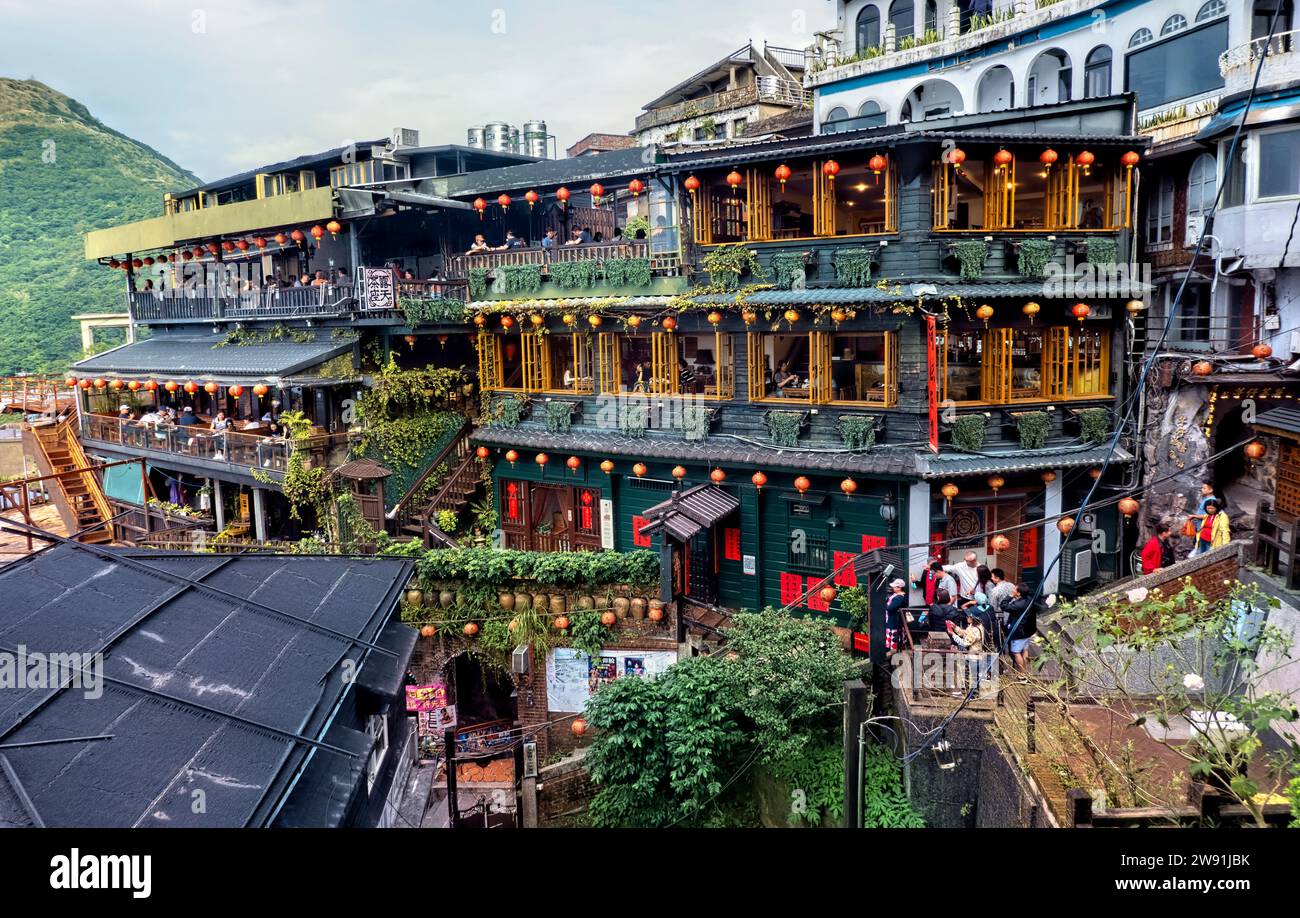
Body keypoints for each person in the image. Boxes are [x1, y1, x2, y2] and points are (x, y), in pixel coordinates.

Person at [1002, 583, 1037, 673]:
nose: (1013, 590)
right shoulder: (1030, 600)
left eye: (1015, 589)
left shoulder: (1017, 605)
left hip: (1019, 632)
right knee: (1025, 650)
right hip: (1028, 630)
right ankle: (1025, 670)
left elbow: (1003, 605)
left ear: (1018, 593)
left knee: (1016, 652)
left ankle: (1023, 674)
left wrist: (1010, 596)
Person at [884, 578, 908, 656]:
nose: (893, 588)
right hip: (892, 618)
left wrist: (886, 605)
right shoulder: (897, 595)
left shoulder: (899, 598)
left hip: (894, 619)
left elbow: (890, 608)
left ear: (899, 587)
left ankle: (893, 651)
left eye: (895, 587)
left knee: (894, 633)